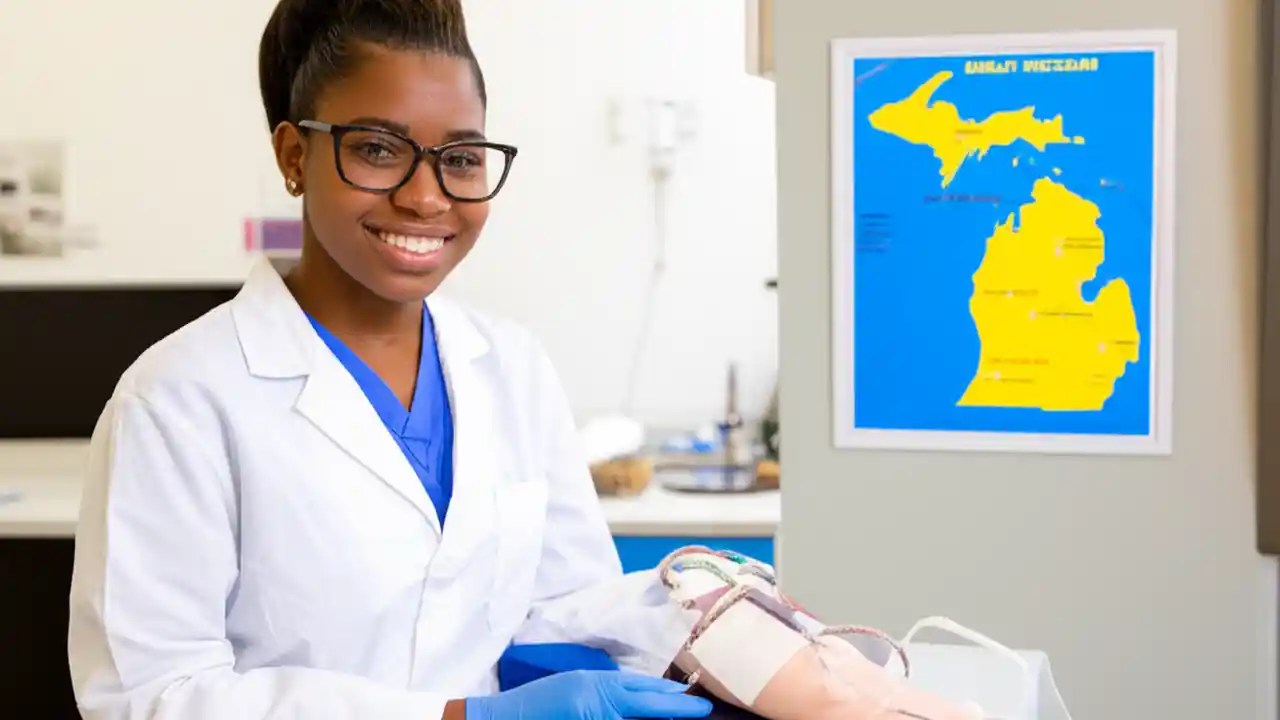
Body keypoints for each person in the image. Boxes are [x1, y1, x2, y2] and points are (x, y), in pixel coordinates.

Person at [66, 1, 713, 718]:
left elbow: (565, 606)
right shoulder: (180, 398)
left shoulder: (511, 366)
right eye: (377, 149)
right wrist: (458, 717)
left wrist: (722, 627)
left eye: (461, 159)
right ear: (293, 157)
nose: (425, 197)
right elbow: (152, 696)